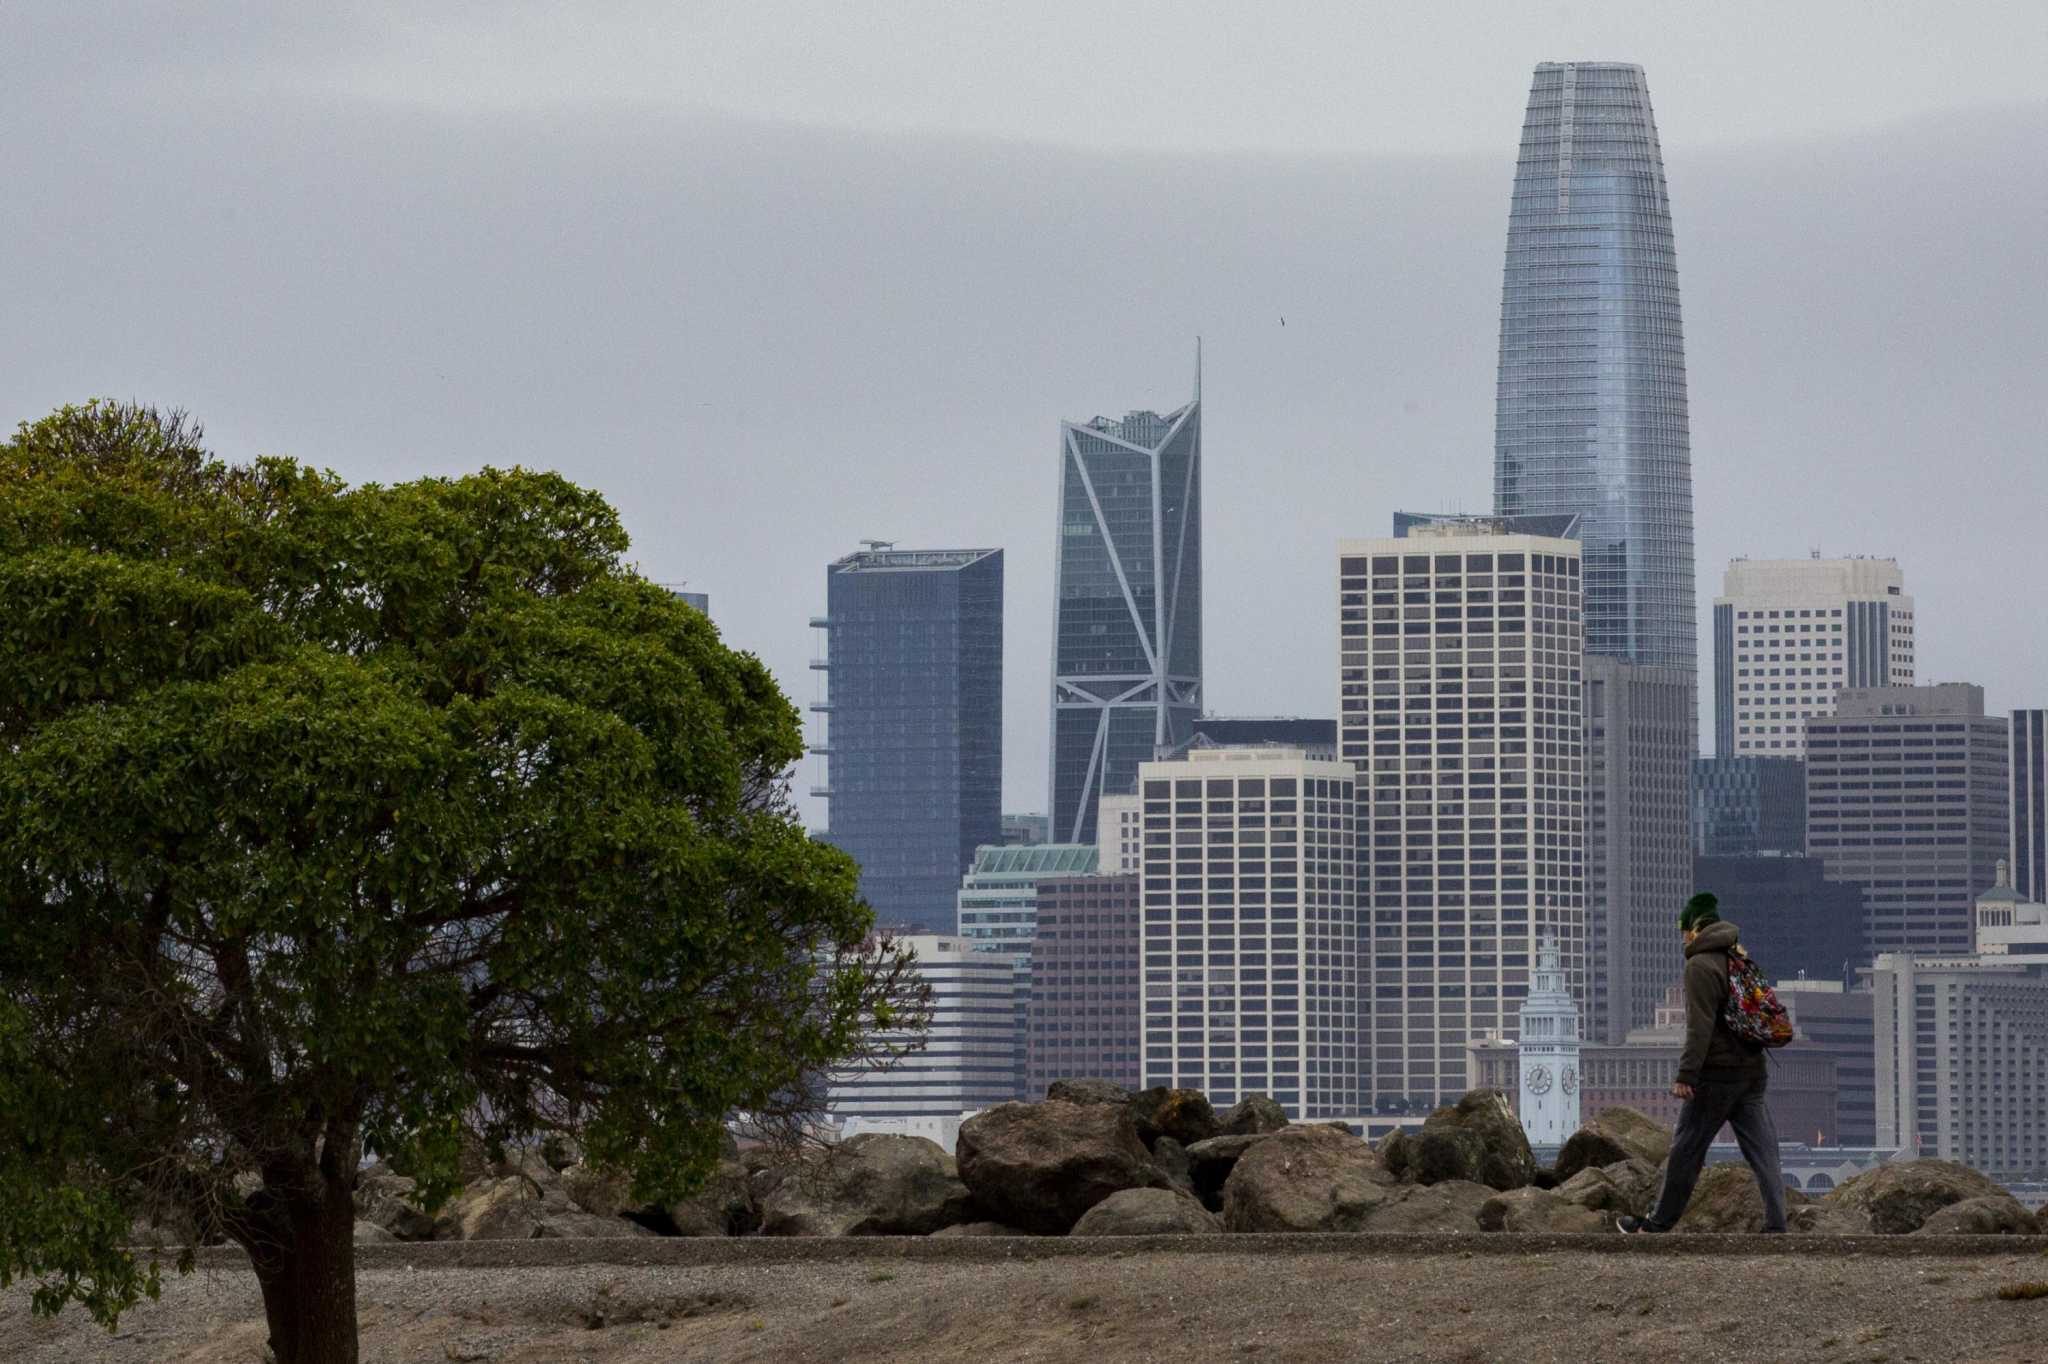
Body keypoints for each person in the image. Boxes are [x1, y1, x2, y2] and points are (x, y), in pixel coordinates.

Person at [1618, 892, 1787, 1234]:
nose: (1682, 939)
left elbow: (1700, 1028)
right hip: (1753, 1072)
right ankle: (1777, 1224)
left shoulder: (1699, 966)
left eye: (1683, 932)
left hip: (1716, 1075)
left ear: (1694, 930)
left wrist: (1686, 1075)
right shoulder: (1738, 958)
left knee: (1687, 1149)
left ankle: (1658, 1223)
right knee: (1764, 1152)